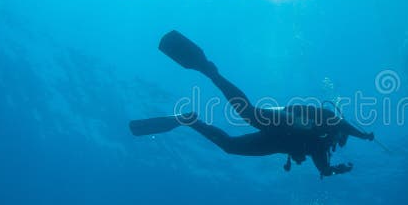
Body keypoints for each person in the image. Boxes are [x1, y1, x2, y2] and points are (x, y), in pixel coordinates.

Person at [129, 30, 374, 178]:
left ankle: (191, 121)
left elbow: (323, 169)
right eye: (343, 138)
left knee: (230, 147)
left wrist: (336, 170)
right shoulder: (330, 122)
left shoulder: (322, 149)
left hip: (278, 141)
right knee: (247, 113)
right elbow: (342, 123)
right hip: (285, 121)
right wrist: (363, 136)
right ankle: (210, 72)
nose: (340, 142)